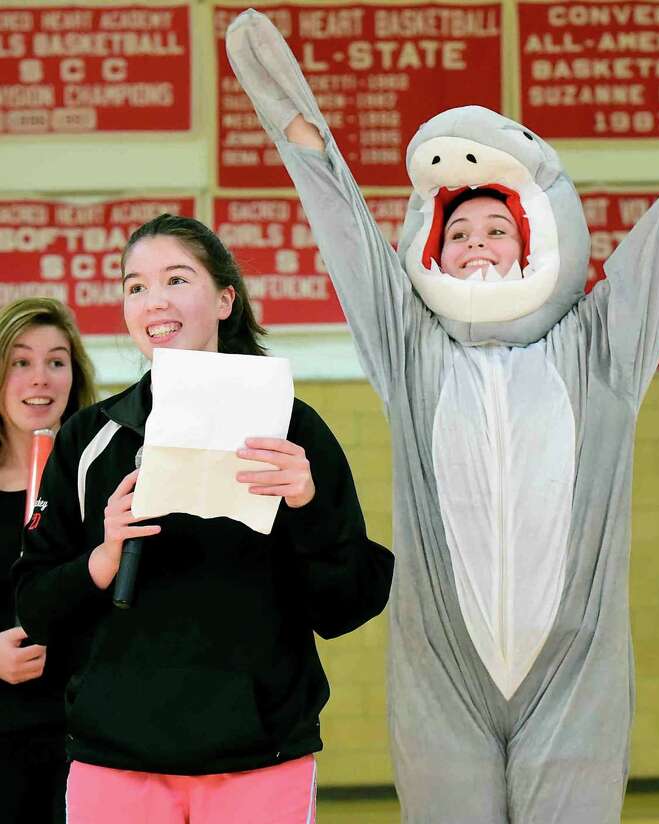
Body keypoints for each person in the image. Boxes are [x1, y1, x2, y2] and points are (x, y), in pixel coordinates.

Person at [226, 10, 659, 822]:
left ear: (537, 235)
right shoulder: (411, 351)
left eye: (497, 229)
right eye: (458, 230)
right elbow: (346, 231)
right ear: (430, 247)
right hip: (441, 673)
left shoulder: (601, 348)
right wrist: (291, 118)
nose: (475, 244)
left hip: (575, 674)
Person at [13, 215, 394, 824]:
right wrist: (101, 560)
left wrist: (309, 507)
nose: (154, 301)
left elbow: (347, 606)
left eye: (176, 279)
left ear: (224, 300)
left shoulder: (293, 431)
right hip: (115, 761)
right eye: (135, 286)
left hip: (261, 759)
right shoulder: (88, 438)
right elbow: (35, 606)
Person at [0, 297, 96, 824]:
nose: (40, 378)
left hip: (83, 738)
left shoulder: (97, 481)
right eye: (21, 361)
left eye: (56, 361)